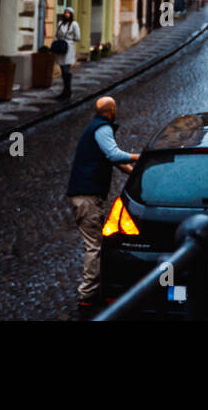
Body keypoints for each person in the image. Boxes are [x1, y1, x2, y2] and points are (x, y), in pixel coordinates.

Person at [66, 96, 138, 315]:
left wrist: (136, 172)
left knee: (96, 243)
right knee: (94, 246)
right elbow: (114, 154)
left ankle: (92, 291)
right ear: (111, 110)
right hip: (86, 196)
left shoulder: (95, 127)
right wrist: (141, 157)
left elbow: (114, 161)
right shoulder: (102, 129)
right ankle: (86, 297)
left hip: (85, 195)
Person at [54, 7, 82, 101]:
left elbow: (77, 37)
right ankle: (65, 90)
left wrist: (70, 39)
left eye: (68, 13)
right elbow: (57, 34)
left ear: (71, 15)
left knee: (66, 70)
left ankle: (68, 90)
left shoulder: (74, 24)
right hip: (61, 48)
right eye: (65, 13)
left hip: (69, 48)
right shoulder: (60, 23)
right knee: (62, 69)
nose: (66, 14)